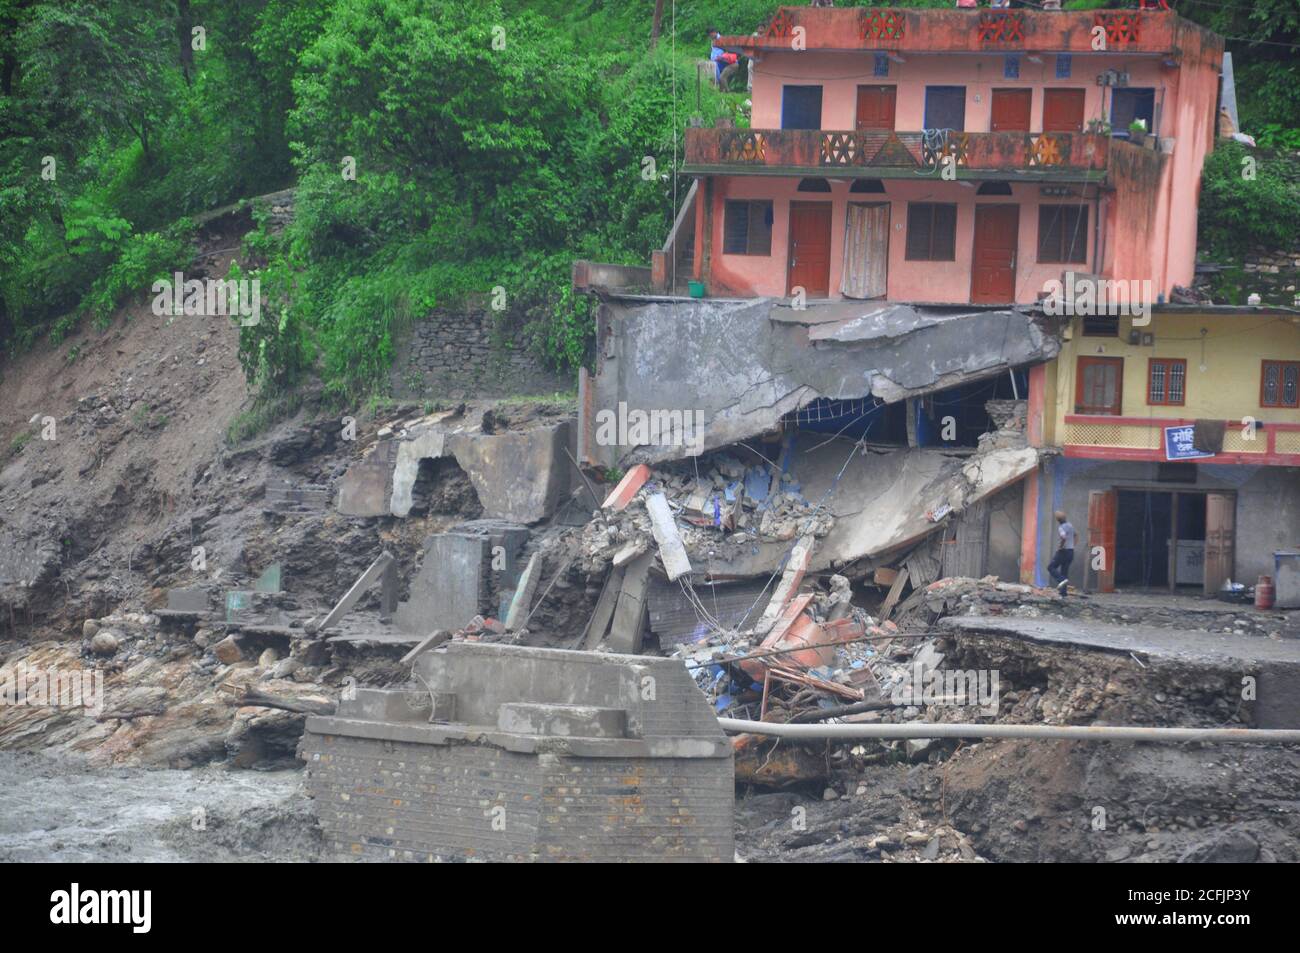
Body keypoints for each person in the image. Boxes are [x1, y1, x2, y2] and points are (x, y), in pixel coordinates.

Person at [1047, 510, 1075, 596]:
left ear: (1057, 520)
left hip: (1063, 552)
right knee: (1064, 571)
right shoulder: (1070, 525)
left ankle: (1061, 580)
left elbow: (1063, 537)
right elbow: (1076, 535)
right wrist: (1073, 545)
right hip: (1071, 551)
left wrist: (1061, 546)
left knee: (1050, 567)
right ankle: (1063, 593)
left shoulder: (1061, 527)